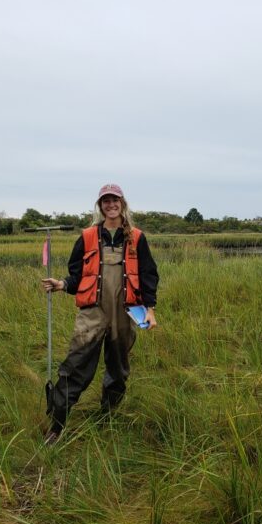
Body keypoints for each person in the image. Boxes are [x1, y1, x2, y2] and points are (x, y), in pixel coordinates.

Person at [40, 184, 159, 445]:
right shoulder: (87, 237)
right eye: (105, 201)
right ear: (100, 205)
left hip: (125, 313)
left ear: (122, 203)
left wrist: (149, 310)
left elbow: (149, 276)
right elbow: (76, 275)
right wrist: (62, 285)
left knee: (118, 369)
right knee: (76, 367)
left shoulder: (137, 238)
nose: (110, 205)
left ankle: (107, 417)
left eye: (114, 200)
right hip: (92, 313)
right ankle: (56, 426)